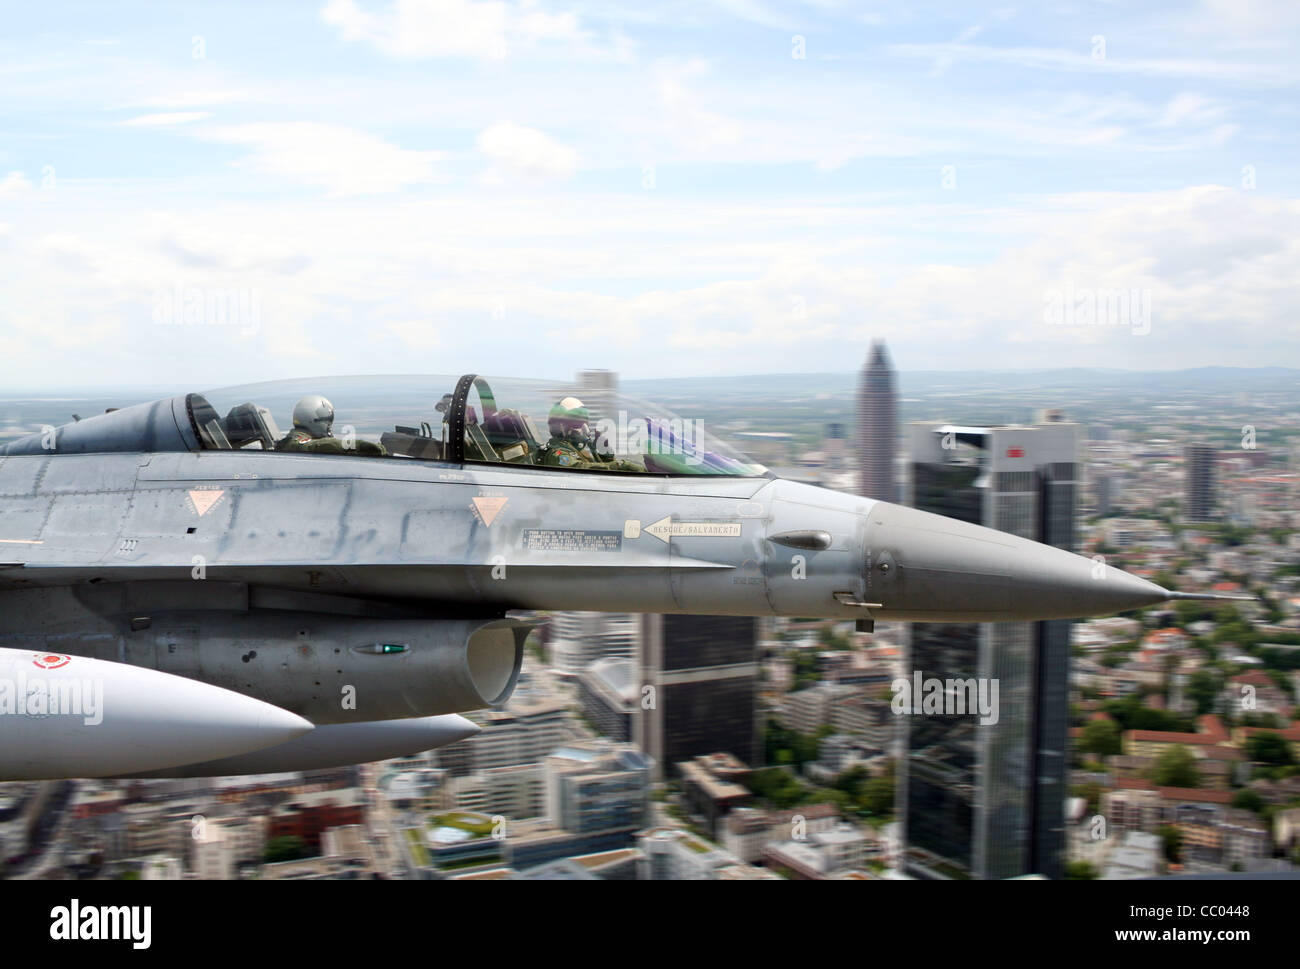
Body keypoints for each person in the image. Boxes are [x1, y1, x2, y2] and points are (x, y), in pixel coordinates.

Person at [536, 396, 640, 470]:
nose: (584, 428)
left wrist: (605, 454)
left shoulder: (580, 453)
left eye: (584, 422)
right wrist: (618, 466)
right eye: (577, 423)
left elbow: (601, 473)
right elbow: (582, 469)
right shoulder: (557, 454)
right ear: (560, 426)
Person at [275, 394, 387, 456]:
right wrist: (361, 446)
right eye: (328, 422)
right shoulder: (292, 442)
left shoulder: (299, 441)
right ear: (313, 419)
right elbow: (315, 445)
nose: (329, 427)